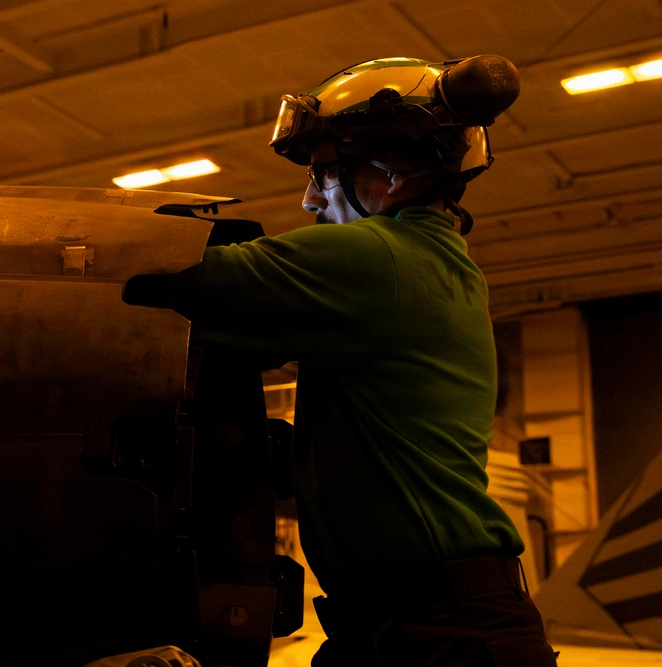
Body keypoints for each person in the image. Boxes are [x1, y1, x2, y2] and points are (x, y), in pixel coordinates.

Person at [173, 56, 559, 665]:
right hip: (419, 626)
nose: (309, 201)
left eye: (325, 172)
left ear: (393, 172)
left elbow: (191, 282)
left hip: (438, 637)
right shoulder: (432, 264)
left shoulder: (380, 259)